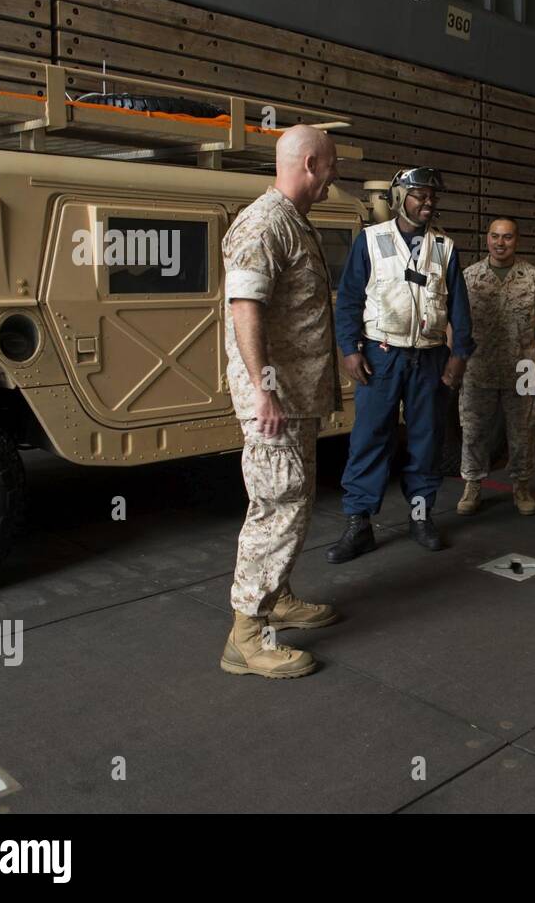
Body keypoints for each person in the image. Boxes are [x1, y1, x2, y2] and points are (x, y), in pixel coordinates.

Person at [220, 125, 343, 679]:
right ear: (311, 163)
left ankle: (279, 596)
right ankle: (246, 636)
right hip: (276, 400)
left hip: (296, 398)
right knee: (275, 507)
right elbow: (244, 305)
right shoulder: (267, 222)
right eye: (331, 169)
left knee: (294, 501)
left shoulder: (295, 223)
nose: (332, 180)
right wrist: (265, 388)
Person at [327, 168, 474, 561]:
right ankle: (359, 524)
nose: (428, 202)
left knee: (426, 439)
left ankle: (421, 517)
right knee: (369, 438)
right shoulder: (371, 241)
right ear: (398, 198)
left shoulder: (445, 246)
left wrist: (459, 355)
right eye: (419, 195)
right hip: (381, 356)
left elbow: (459, 306)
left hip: (430, 358)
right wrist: (349, 348)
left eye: (432, 197)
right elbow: (349, 299)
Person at [456, 217, 535, 516]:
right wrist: (453, 357)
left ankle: (522, 486)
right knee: (473, 431)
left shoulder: (532, 277)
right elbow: (456, 321)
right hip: (478, 369)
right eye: (495, 236)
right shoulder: (469, 277)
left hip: (521, 370)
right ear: (487, 239)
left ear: (517, 240)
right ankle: (472, 486)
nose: (501, 243)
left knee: (523, 432)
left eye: (507, 237)